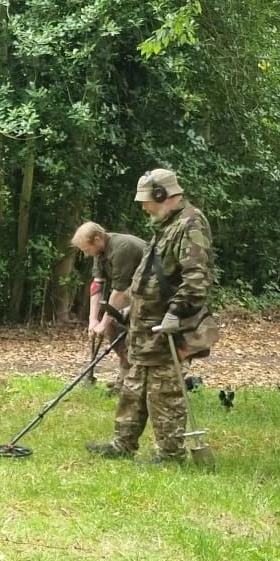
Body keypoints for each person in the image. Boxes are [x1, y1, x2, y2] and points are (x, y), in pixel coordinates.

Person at [88, 168, 215, 463]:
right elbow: (151, 275)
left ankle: (170, 453)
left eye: (147, 200)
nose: (144, 206)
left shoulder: (190, 223)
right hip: (144, 324)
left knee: (165, 390)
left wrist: (177, 312)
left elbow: (196, 278)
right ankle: (122, 444)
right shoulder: (165, 225)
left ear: (163, 195)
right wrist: (133, 306)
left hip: (166, 325)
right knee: (133, 387)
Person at [71, 220, 144, 391]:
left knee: (122, 329)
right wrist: (92, 322)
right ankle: (125, 374)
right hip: (132, 292)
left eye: (87, 249)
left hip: (154, 294)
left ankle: (131, 379)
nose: (87, 254)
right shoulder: (100, 253)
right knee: (112, 328)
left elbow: (119, 291)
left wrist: (103, 323)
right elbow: (97, 285)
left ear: (97, 239)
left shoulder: (122, 248)